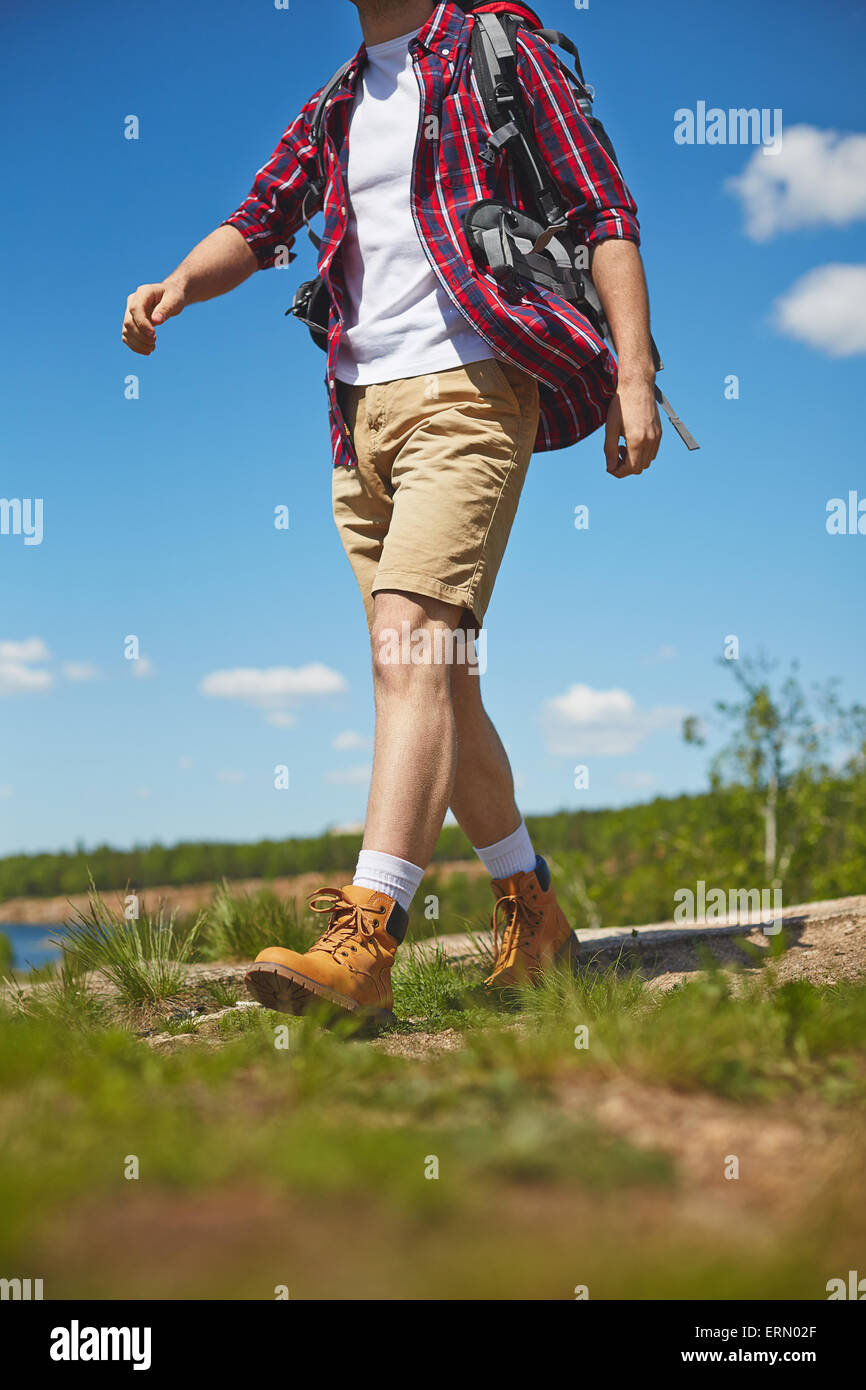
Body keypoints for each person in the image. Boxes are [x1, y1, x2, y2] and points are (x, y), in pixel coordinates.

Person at [122, 0, 661, 1027]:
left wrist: (634, 372)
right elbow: (258, 221)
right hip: (355, 420)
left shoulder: (499, 54)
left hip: (471, 390)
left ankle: (367, 936)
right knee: (441, 683)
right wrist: (178, 286)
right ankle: (530, 909)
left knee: (411, 647)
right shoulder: (333, 105)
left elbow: (603, 211)